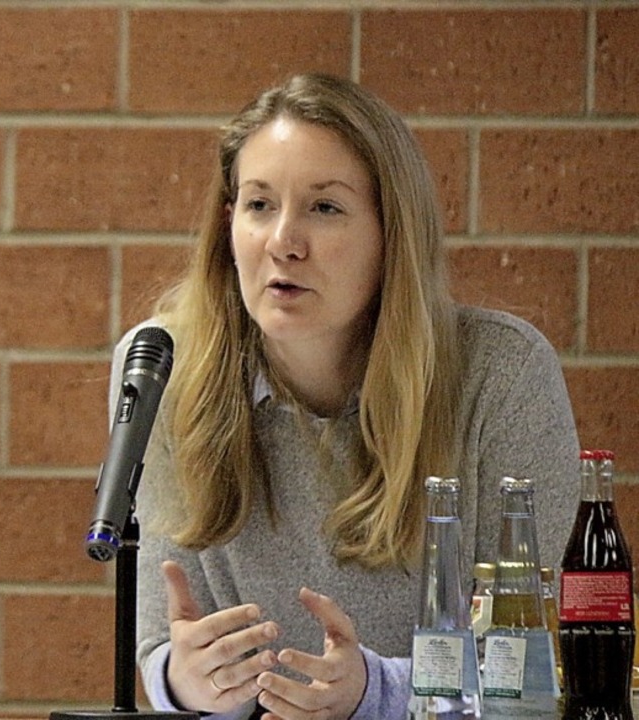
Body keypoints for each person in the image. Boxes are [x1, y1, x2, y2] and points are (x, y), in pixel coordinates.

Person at [118, 73, 578, 719]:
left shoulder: (500, 371)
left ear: (393, 232)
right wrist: (189, 680)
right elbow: (164, 639)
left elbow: (542, 663)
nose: (283, 241)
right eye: (258, 205)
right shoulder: (163, 363)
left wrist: (376, 692)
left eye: (324, 207)